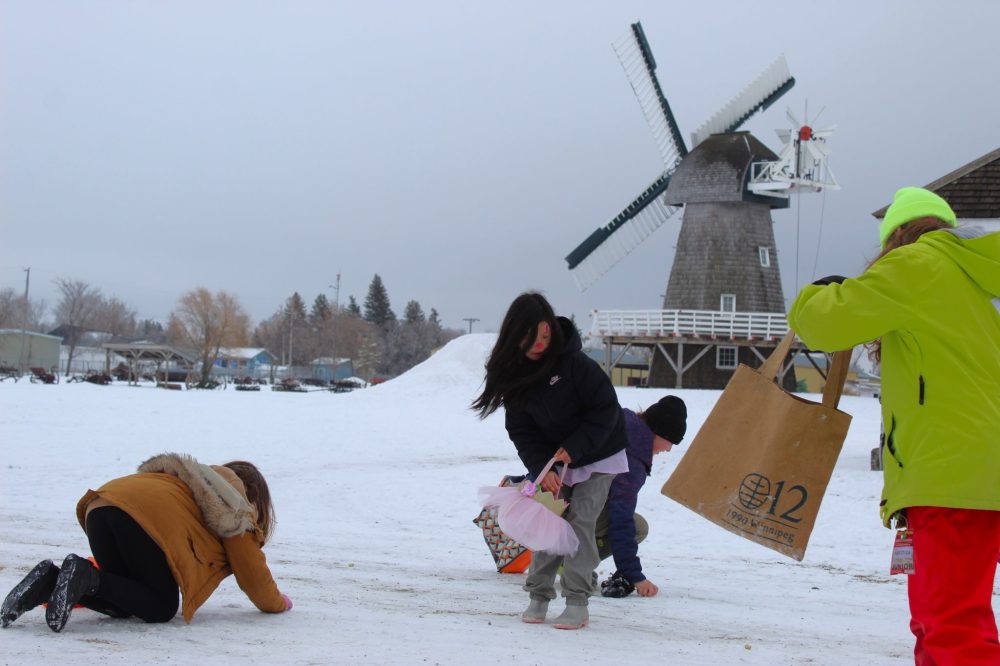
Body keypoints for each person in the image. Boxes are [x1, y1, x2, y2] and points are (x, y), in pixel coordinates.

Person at [786, 187, 1000, 664]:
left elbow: (826, 323)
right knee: (935, 619)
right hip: (977, 474)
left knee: (952, 625)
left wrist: (816, 295)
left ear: (898, 235)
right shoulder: (978, 282)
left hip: (952, 475)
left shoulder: (920, 265)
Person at [472, 292, 628, 630]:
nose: (540, 343)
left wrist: (576, 447)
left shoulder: (575, 365)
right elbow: (522, 430)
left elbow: (606, 411)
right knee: (546, 519)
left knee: (580, 521)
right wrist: (544, 466)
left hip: (600, 453)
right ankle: (539, 595)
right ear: (516, 336)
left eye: (545, 335)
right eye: (532, 337)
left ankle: (577, 600)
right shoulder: (515, 376)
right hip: (557, 460)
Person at [1, 453, 292, 632]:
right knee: (160, 606)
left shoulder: (190, 480)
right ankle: (85, 575)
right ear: (255, 497)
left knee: (127, 597)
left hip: (100, 506)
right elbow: (252, 572)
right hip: (139, 516)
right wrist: (278, 604)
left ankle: (50, 581)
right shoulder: (233, 502)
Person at [596, 395, 687, 599]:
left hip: (552, 500)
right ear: (659, 432)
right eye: (670, 441)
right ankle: (571, 562)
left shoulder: (622, 422)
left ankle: (564, 554)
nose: (668, 449)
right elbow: (620, 518)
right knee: (638, 527)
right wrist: (635, 576)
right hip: (575, 512)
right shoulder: (633, 460)